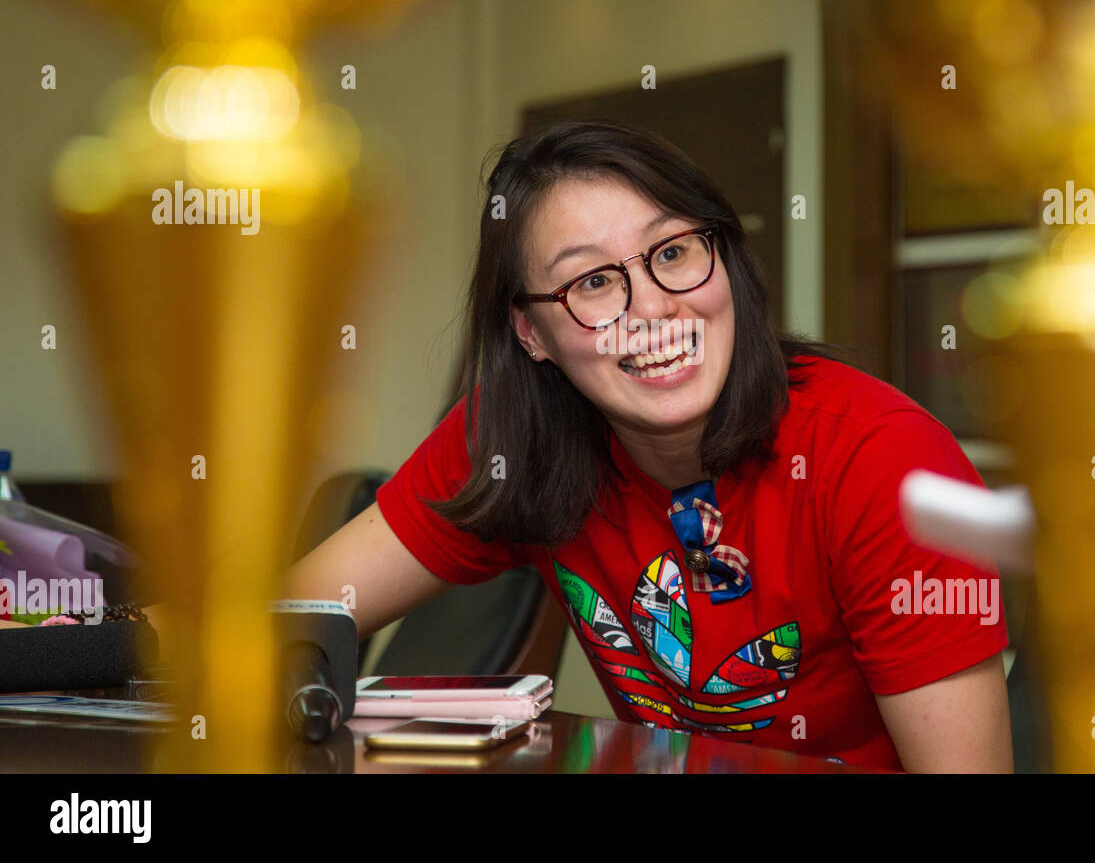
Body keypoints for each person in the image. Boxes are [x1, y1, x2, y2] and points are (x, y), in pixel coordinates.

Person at [287, 119, 1013, 771]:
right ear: (531, 333)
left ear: (724, 259)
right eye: (594, 282)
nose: (655, 307)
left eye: (672, 251)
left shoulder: (885, 463)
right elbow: (289, 619)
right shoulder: (518, 437)